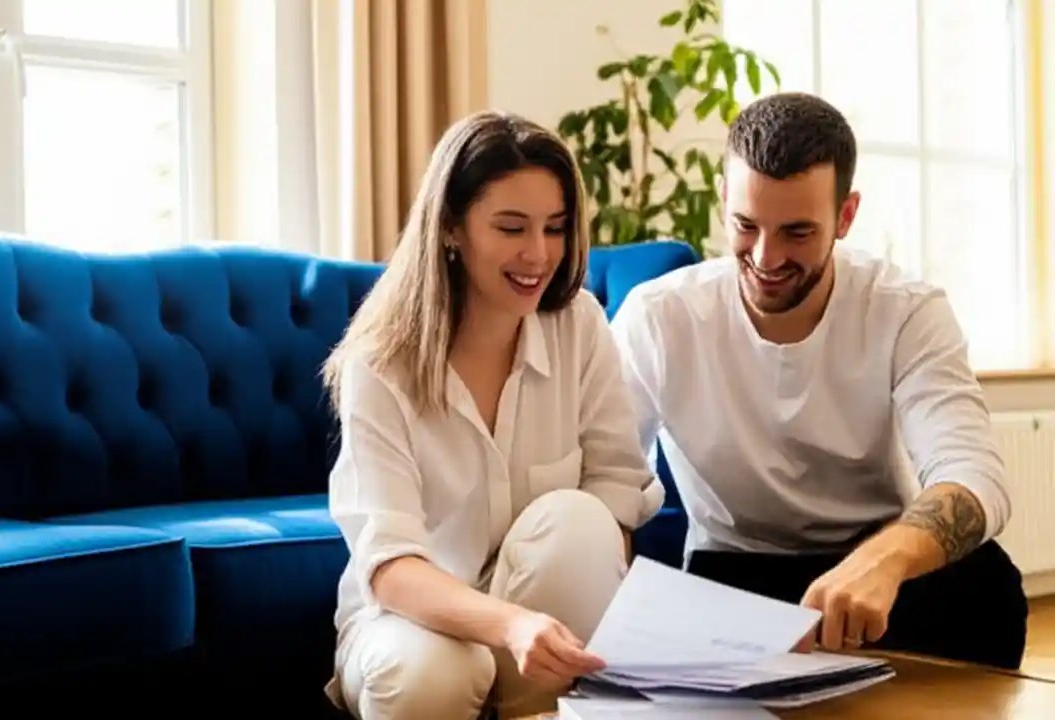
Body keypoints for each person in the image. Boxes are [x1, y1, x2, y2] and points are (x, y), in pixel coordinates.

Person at [608, 91, 1029, 670]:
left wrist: (882, 561)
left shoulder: (905, 310)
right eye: (746, 225)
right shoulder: (658, 316)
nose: (765, 256)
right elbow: (606, 475)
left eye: (797, 233)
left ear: (846, 216)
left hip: (875, 568)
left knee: (990, 587)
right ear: (723, 197)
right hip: (735, 575)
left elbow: (974, 477)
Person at [320, 110, 665, 719]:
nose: (538, 255)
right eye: (511, 228)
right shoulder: (380, 363)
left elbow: (616, 490)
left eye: (554, 228)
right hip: (411, 623)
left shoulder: (579, 325)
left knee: (581, 521)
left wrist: (585, 617)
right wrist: (508, 624)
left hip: (543, 624)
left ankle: (538, 712)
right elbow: (390, 565)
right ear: (451, 227)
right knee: (432, 674)